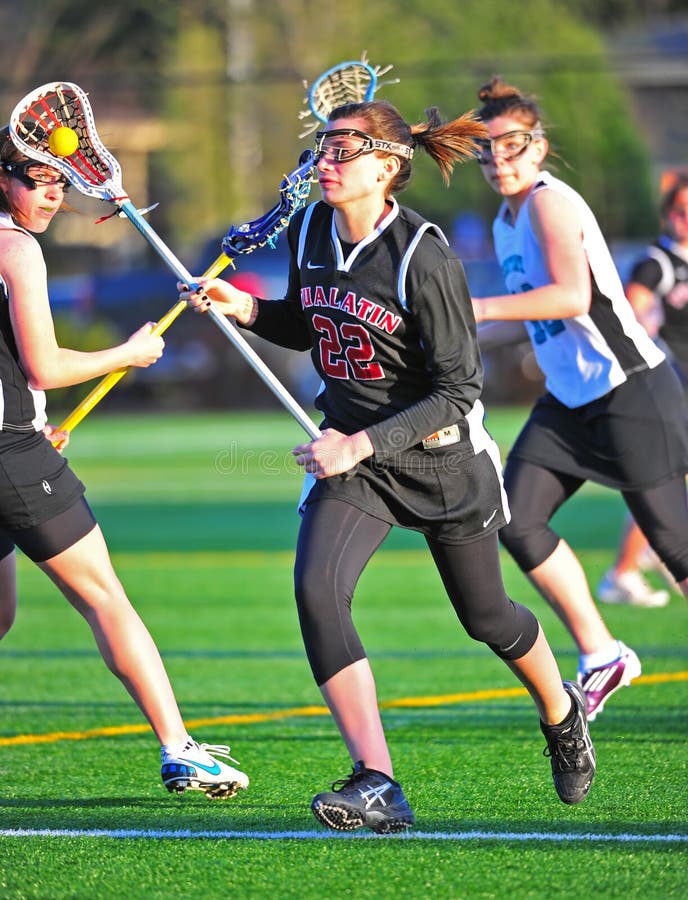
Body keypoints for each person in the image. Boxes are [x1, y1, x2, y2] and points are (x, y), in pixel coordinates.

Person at [181, 99, 596, 834]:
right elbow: (311, 324)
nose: (327, 160)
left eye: (345, 148)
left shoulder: (421, 255)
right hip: (357, 460)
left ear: (388, 165)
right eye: (323, 146)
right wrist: (242, 309)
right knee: (317, 591)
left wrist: (357, 444)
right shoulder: (312, 228)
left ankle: (562, 713)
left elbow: (458, 388)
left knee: (487, 617)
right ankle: (379, 782)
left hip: (440, 460)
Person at [0, 126, 248, 800]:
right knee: (104, 596)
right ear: (2, 179)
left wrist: (33, 419)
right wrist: (127, 355)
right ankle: (180, 748)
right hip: (9, 458)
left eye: (58, 181)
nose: (51, 194)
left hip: (16, 444)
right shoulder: (14, 247)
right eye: (36, 179)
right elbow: (43, 364)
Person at [470, 77, 688, 722]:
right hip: (571, 401)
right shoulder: (504, 218)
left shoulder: (548, 202)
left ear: (538, 149)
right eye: (488, 151)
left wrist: (475, 309)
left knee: (676, 550)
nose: (500, 161)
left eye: (513, 148)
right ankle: (603, 655)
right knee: (515, 518)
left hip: (630, 392)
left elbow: (573, 296)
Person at [597, 174, 688, 607]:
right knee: (661, 481)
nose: (685, 221)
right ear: (668, 215)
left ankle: (649, 556)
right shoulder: (658, 263)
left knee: (668, 482)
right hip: (672, 385)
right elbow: (632, 308)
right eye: (680, 212)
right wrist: (644, 317)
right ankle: (626, 570)